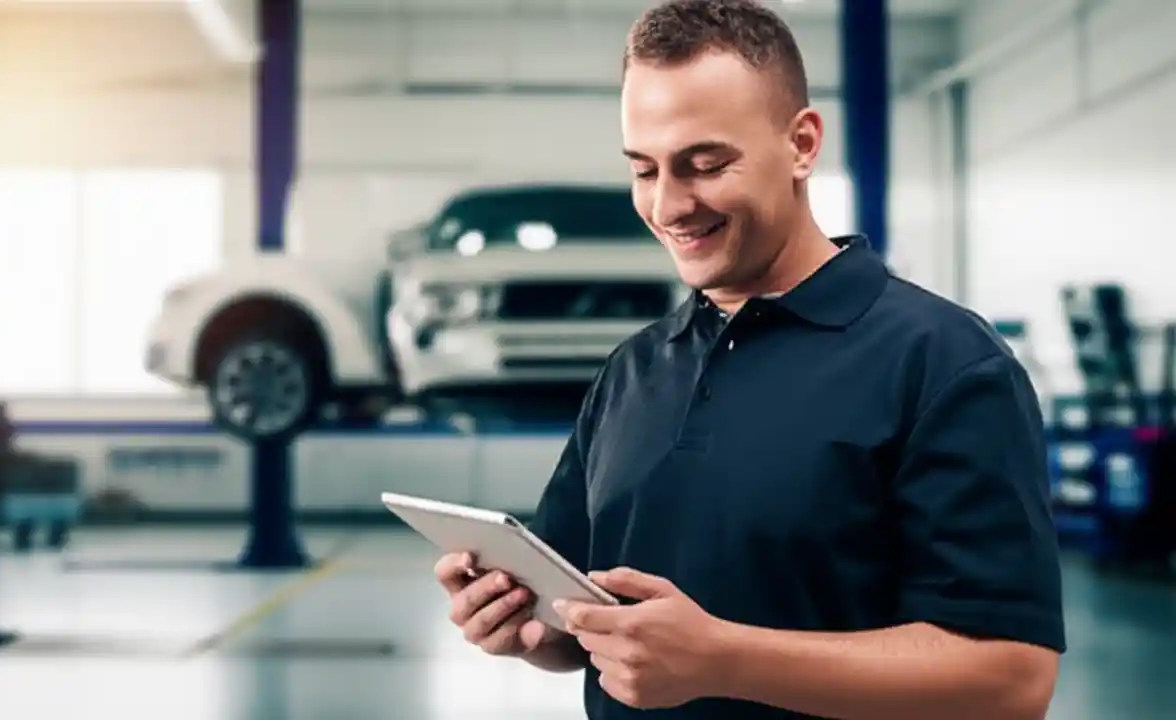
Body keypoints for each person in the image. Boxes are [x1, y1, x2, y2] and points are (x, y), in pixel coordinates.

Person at [432, 1, 1065, 718]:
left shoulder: (945, 363)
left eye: (705, 164)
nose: (669, 205)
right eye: (644, 170)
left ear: (801, 145)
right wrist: (522, 623)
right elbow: (582, 622)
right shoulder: (634, 370)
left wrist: (723, 661)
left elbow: (1012, 681)